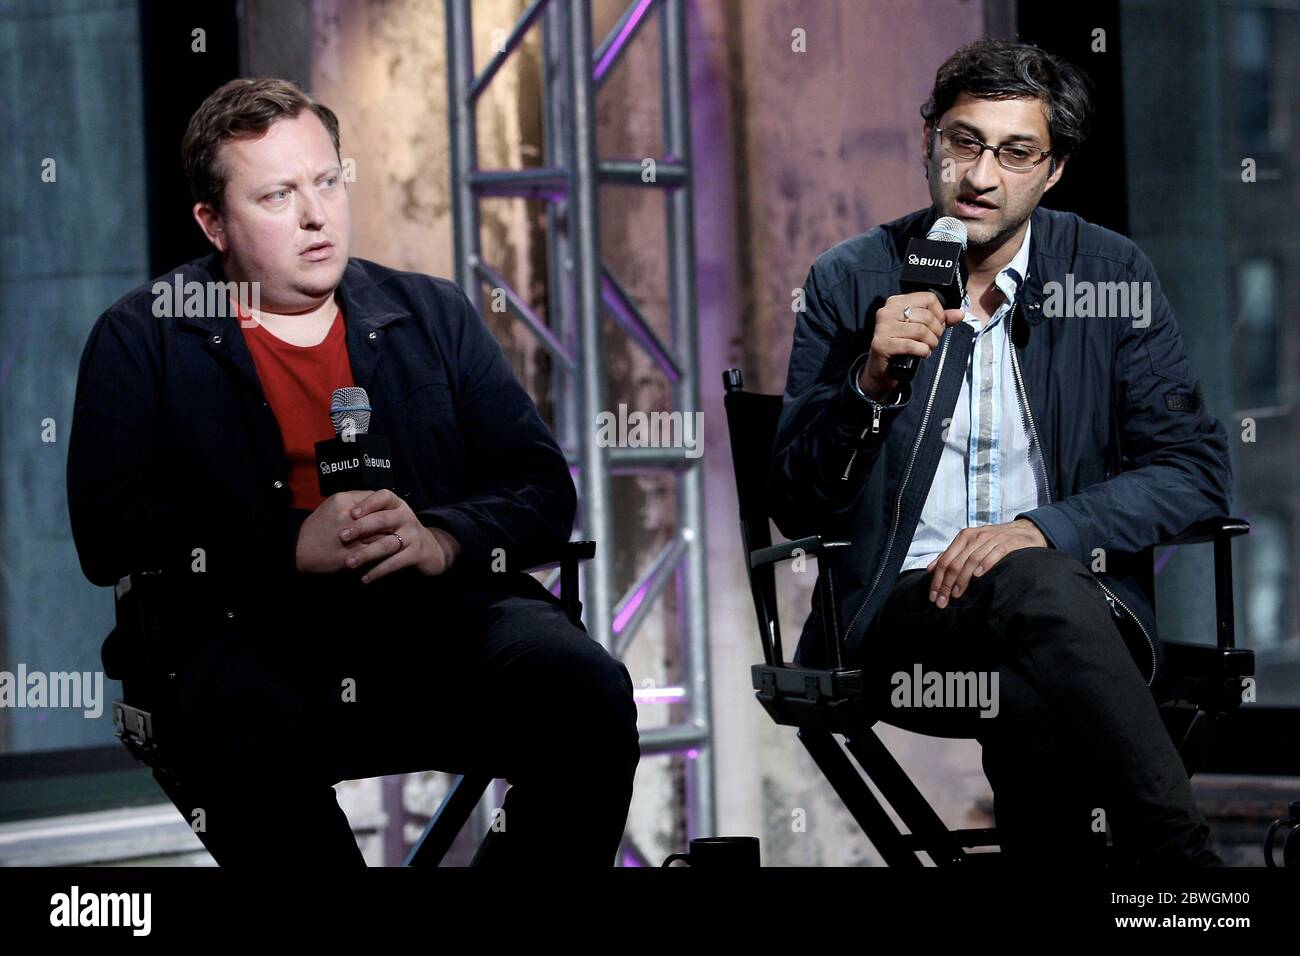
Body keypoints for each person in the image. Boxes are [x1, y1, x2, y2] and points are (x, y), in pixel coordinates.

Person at [67, 78, 639, 866]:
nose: (315, 216)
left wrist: (442, 537)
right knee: (241, 722)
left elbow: (542, 490)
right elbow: (108, 530)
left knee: (587, 694)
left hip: (441, 618)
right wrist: (289, 546)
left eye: (327, 182)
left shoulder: (431, 312)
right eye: (276, 196)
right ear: (213, 221)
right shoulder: (144, 336)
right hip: (250, 639)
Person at [768, 39, 1232, 866]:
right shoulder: (848, 280)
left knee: (1032, 673)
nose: (979, 177)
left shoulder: (1108, 273)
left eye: (1016, 152)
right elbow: (799, 503)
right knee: (1035, 605)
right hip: (897, 617)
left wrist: (1041, 527)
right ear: (928, 139)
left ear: (1052, 172)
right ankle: (1184, 868)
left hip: (1071, 614)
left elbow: (1193, 474)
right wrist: (868, 387)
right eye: (963, 142)